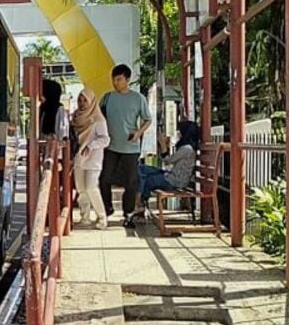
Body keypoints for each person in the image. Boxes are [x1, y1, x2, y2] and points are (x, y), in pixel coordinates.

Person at [98, 64, 152, 229]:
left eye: (119, 79)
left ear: (127, 80)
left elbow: (147, 119)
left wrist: (138, 133)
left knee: (130, 183)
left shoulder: (138, 98)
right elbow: (99, 118)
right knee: (104, 179)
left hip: (131, 147)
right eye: (114, 79)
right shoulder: (107, 98)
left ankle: (128, 214)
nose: (115, 82)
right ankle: (107, 208)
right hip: (110, 146)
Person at [71, 88, 111, 229]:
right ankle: (85, 217)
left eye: (85, 100)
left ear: (92, 102)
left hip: (93, 159)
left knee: (91, 187)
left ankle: (101, 217)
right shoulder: (75, 117)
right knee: (81, 189)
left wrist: (91, 145)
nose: (82, 103)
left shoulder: (98, 119)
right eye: (80, 100)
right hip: (78, 158)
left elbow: (106, 139)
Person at [139, 120, 200, 203]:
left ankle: (141, 203)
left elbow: (168, 161)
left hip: (175, 181)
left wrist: (163, 144)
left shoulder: (187, 149)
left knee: (149, 180)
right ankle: (141, 201)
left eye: (180, 131)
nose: (179, 134)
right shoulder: (187, 148)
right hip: (171, 175)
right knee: (142, 169)